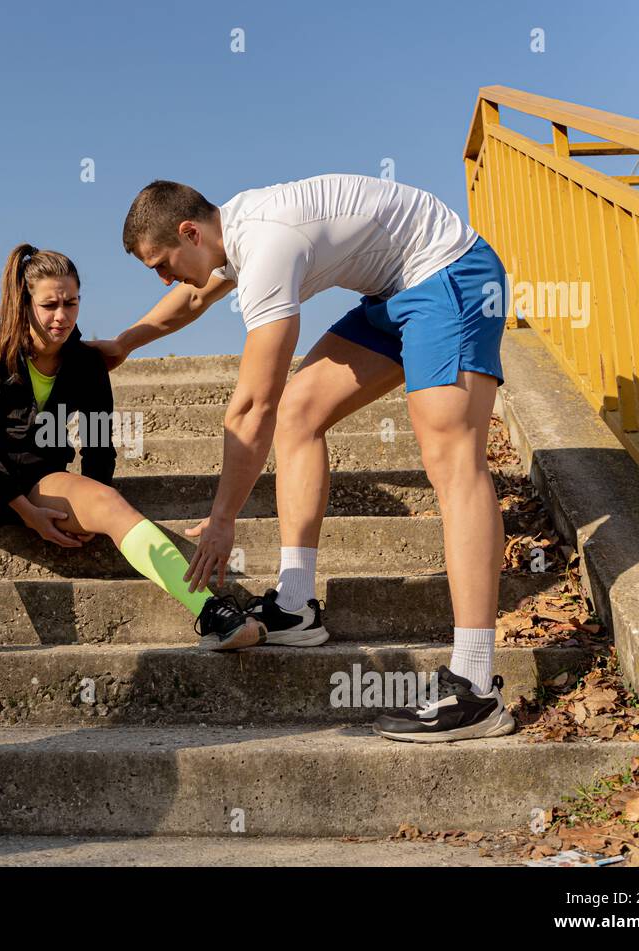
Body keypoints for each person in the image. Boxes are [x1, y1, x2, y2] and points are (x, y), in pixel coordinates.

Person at [88, 174, 517, 742]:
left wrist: (222, 521)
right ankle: (295, 607)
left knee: (452, 456)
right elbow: (193, 296)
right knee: (300, 413)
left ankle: (476, 685)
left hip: (450, 274)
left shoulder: (266, 244)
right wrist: (125, 342)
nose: (164, 278)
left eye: (161, 263)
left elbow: (249, 409)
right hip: (392, 293)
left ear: (190, 231)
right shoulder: (232, 232)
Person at [0, 243, 266, 656]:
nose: (61, 316)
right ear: (24, 303)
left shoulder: (85, 363)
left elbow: (99, 447)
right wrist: (26, 511)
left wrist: (93, 503)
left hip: (46, 482)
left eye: (71, 303)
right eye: (49, 305)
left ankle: (208, 611)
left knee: (111, 502)